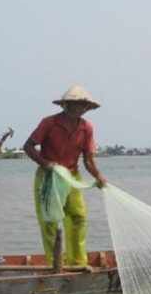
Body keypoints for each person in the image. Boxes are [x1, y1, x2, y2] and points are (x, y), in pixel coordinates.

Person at [23, 84, 107, 266]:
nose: (79, 108)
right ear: (66, 104)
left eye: (83, 105)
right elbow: (28, 147)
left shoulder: (86, 128)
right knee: (50, 221)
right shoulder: (49, 123)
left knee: (79, 216)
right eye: (75, 104)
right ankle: (55, 263)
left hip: (72, 177)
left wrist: (98, 177)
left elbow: (88, 159)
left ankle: (77, 262)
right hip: (48, 177)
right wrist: (45, 163)